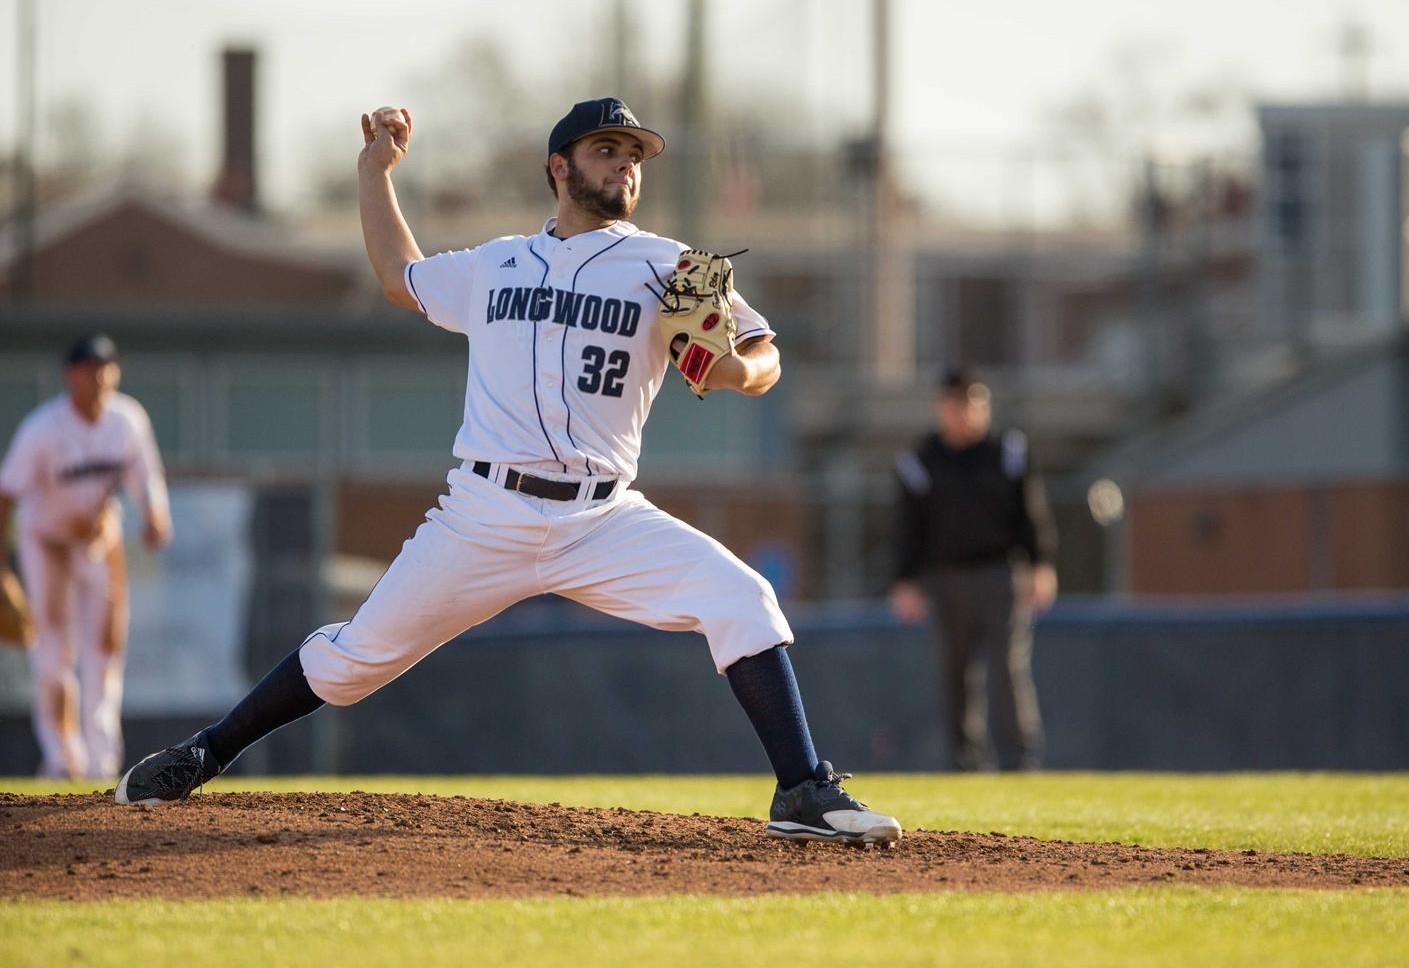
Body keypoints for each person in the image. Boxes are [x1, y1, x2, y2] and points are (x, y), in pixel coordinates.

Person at [114, 98, 901, 846]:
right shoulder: (496, 264)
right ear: (559, 166)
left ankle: (801, 790)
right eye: (606, 151)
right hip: (484, 510)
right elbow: (400, 276)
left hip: (603, 516)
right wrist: (374, 174)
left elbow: (765, 356)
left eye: (634, 157)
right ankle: (205, 754)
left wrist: (737, 371)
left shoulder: (671, 265)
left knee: (742, 596)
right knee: (354, 660)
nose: (624, 167)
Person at [0, 334, 172, 779]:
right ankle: (62, 758)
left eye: (106, 366)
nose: (98, 375)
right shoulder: (43, 428)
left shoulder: (126, 419)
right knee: (53, 652)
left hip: (99, 540)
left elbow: (145, 472)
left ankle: (101, 760)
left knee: (106, 650)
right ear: (69, 374)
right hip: (48, 542)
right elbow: (6, 495)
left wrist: (154, 513)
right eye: (88, 366)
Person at [889, 370, 1058, 771]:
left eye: (970, 403)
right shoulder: (920, 462)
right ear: (940, 408)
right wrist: (904, 580)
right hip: (944, 577)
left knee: (1007, 670)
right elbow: (906, 528)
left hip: (999, 573)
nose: (962, 413)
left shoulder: (1009, 453)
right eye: (954, 404)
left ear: (984, 407)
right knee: (954, 672)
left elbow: (1032, 514)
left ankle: (1019, 761)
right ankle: (964, 762)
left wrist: (1041, 563)